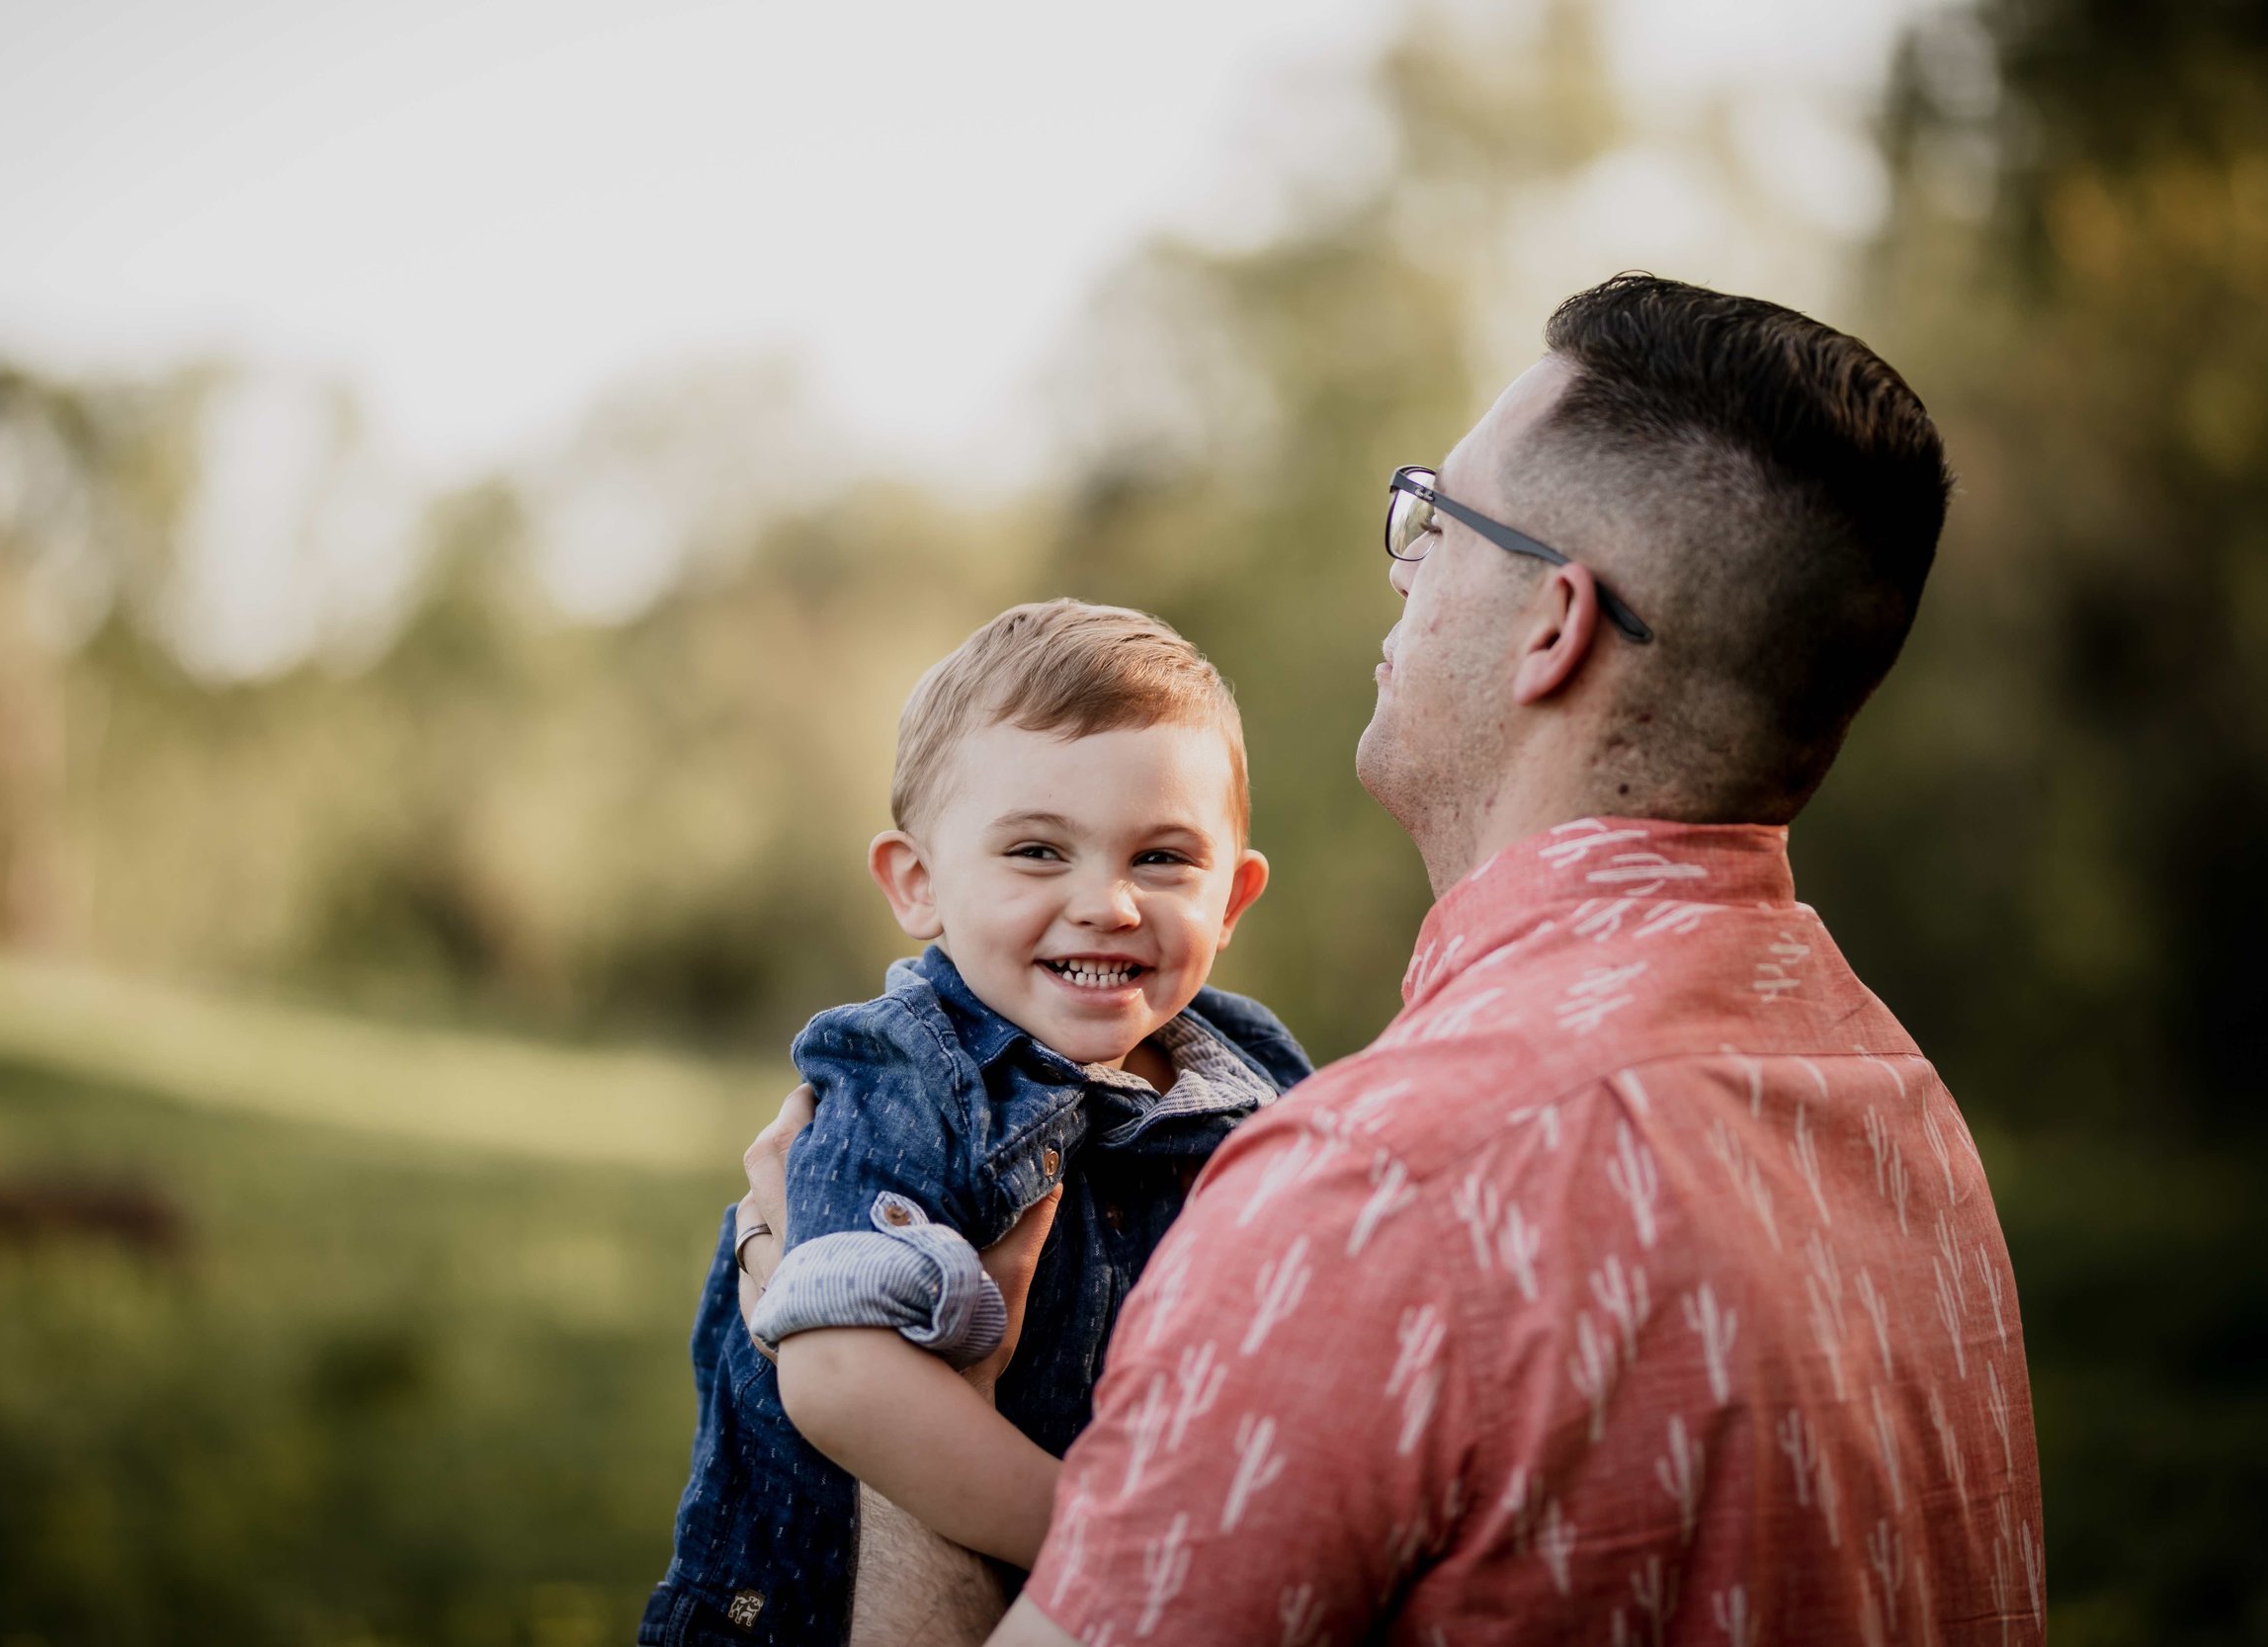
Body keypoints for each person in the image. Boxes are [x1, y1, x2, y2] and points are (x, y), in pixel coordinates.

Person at [735, 275, 2046, 1644]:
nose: (1404, 562)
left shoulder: (1383, 1181)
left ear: (1554, 625)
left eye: (1441, 518)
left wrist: (924, 1399)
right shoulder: (1902, 1115)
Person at [641, 601, 1314, 1647]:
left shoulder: (1255, 1071)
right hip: (806, 1617)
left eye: (1164, 858)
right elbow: (842, 1375)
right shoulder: (907, 1071)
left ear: (1233, 897)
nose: (1108, 902)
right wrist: (1117, 1552)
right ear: (919, 884)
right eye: (1040, 851)